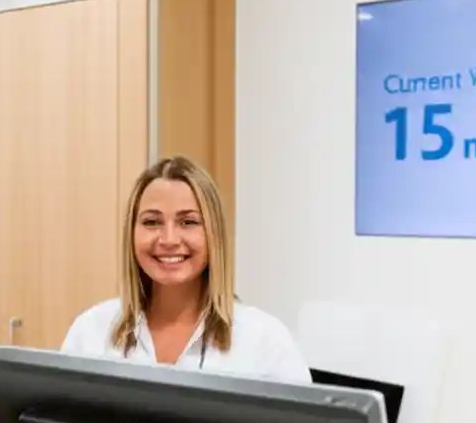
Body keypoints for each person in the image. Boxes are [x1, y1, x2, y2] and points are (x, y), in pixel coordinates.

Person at [61, 156, 312, 383]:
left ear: (214, 234)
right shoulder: (90, 332)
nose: (169, 239)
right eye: (152, 222)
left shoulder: (265, 342)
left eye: (188, 222)